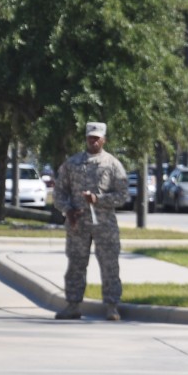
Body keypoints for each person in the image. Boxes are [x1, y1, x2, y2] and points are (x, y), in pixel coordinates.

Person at [52, 121, 130, 321]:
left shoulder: (112, 164)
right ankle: (73, 305)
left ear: (104, 139)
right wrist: (67, 210)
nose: (93, 142)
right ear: (86, 138)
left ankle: (112, 306)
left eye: (97, 138)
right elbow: (59, 192)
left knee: (109, 265)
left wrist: (99, 200)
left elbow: (123, 195)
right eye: (90, 138)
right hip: (78, 223)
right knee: (76, 264)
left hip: (105, 225)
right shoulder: (72, 163)